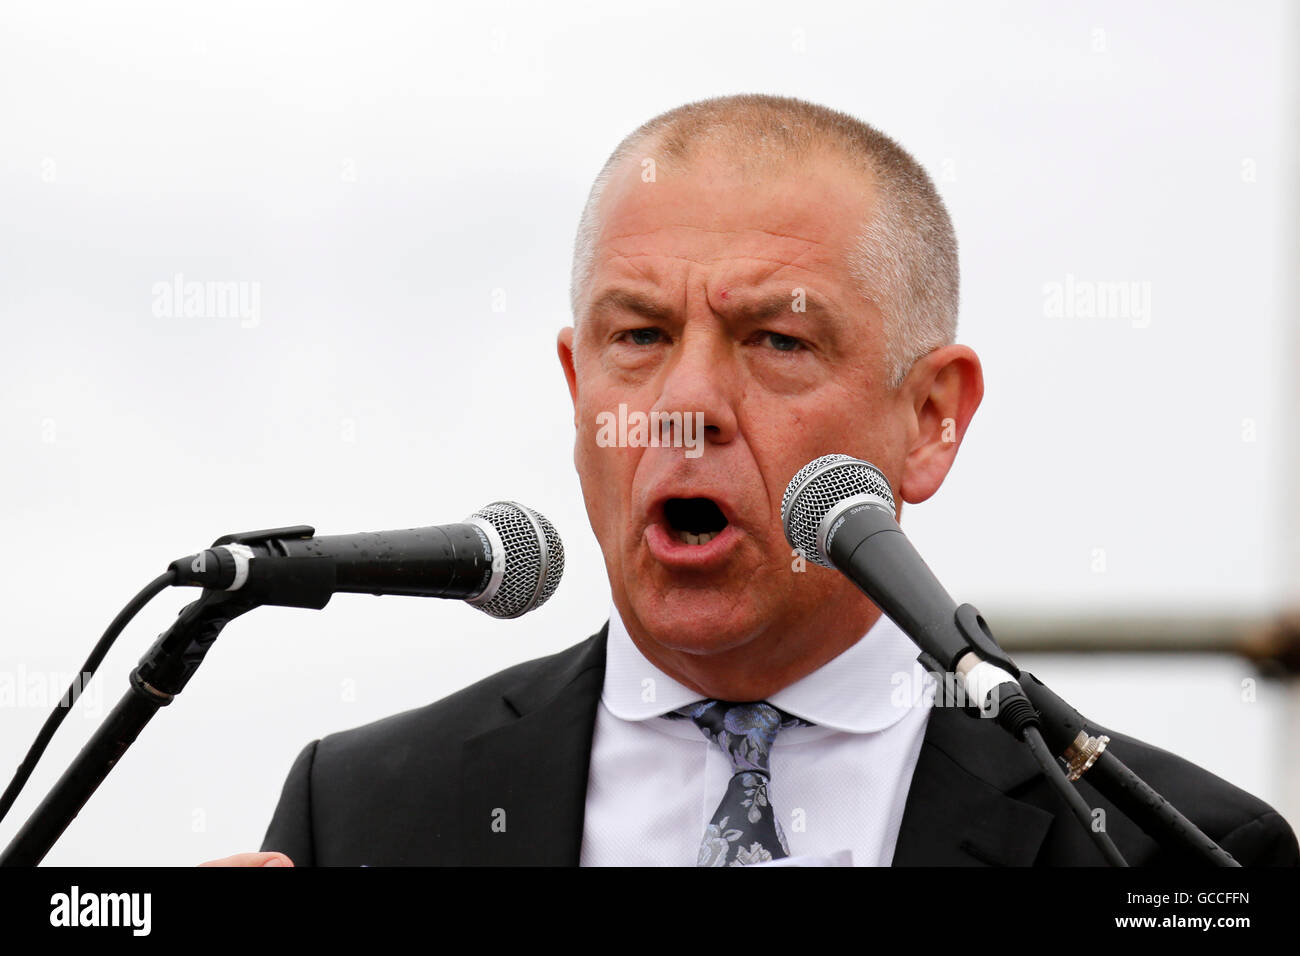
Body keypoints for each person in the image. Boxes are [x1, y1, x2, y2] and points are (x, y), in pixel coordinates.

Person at [203, 94, 1298, 867]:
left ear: (931, 418)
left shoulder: (1172, 854)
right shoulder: (361, 813)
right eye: (639, 336)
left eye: (777, 340)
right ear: (577, 388)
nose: (686, 403)